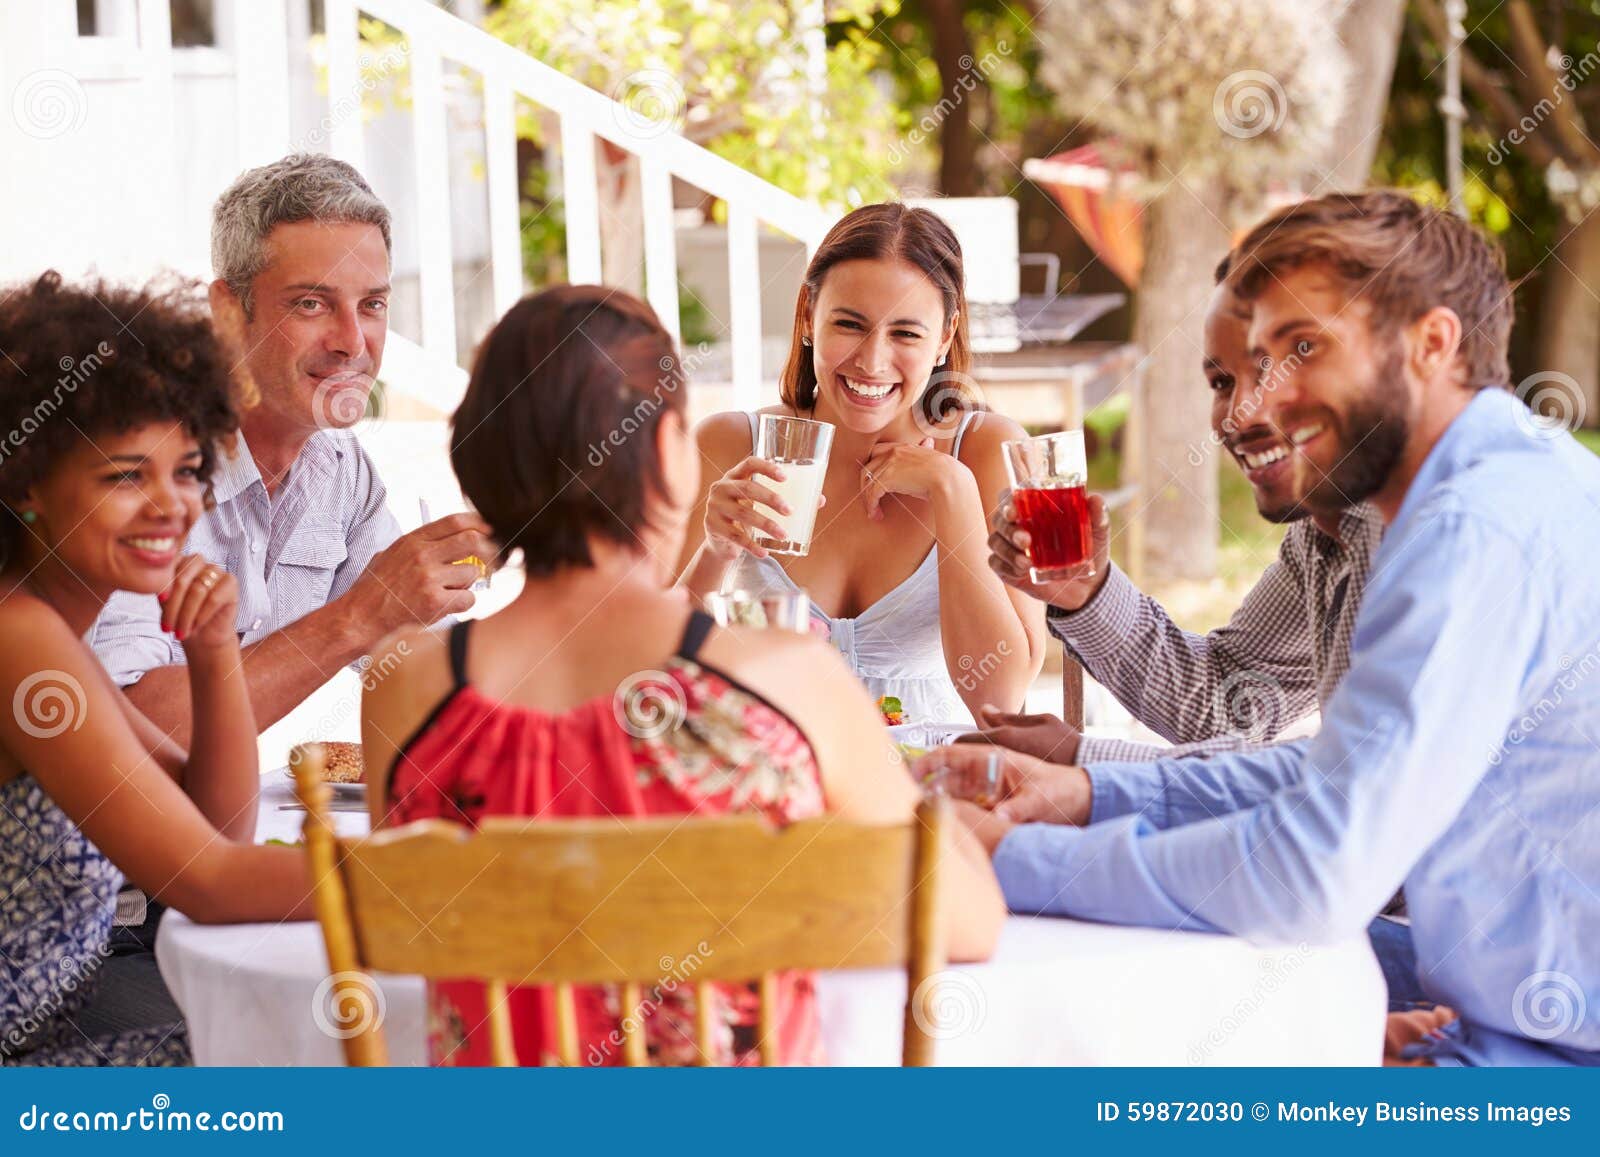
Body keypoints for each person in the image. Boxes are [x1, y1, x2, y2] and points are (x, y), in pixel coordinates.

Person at [925, 191, 1600, 1066]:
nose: (1257, 404)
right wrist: (1086, 796)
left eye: (1303, 348)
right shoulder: (1496, 487)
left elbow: (1311, 870)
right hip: (1504, 1002)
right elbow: (1320, 759)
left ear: (1435, 345)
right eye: (1251, 360)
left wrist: (1015, 861)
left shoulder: (1466, 534)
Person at [362, 285, 1005, 1067]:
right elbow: (969, 925)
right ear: (668, 450)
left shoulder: (406, 689)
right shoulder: (788, 685)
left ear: (478, 455)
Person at [0, 273, 312, 1066]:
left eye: (186, 470)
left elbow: (214, 827)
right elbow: (210, 880)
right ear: (27, 482)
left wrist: (214, 657)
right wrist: (457, 874)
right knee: (336, 1068)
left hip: (48, 1055)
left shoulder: (54, 637)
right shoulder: (20, 640)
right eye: (126, 474)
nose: (171, 505)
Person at [90, 153, 491, 746]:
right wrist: (357, 617)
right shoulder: (143, 466)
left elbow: (409, 658)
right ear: (228, 312)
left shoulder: (339, 467)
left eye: (372, 305)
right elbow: (127, 733)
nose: (353, 343)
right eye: (311, 304)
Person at [968, 255, 1383, 765]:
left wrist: (1084, 764)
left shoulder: (1405, 523)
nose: (1240, 415)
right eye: (1221, 383)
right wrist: (1086, 594)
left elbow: (1339, 781)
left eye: (1271, 373)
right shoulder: (1324, 530)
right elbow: (1228, 703)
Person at [676, 203, 1046, 725]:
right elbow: (651, 661)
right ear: (808, 316)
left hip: (936, 792)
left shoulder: (987, 453)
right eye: (850, 324)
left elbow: (1000, 700)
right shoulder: (731, 445)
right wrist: (715, 554)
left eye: (906, 334)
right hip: (775, 784)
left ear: (945, 336)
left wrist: (953, 492)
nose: (872, 361)